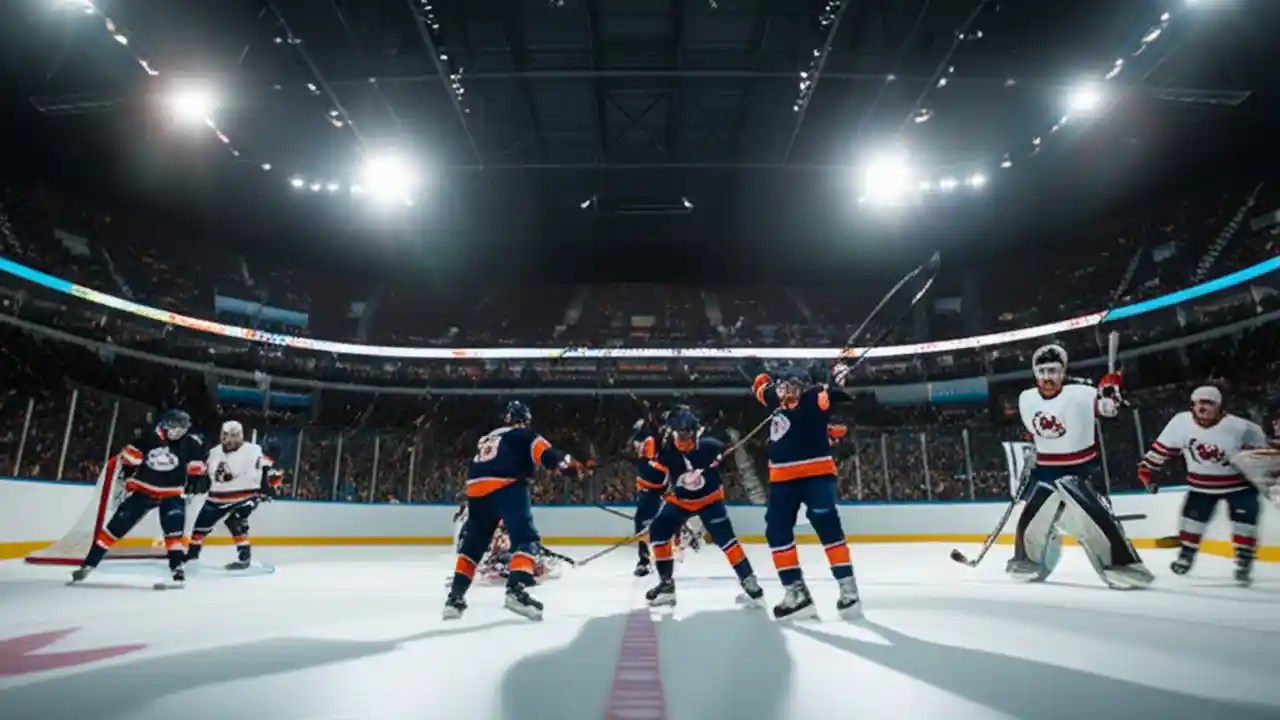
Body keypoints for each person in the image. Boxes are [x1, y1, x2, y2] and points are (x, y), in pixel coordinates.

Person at [1011, 344, 1152, 589]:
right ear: (1034, 373)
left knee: (1096, 519)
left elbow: (1107, 409)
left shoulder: (1083, 393)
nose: (1047, 377)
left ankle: (1123, 565)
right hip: (1045, 471)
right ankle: (1029, 560)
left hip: (1081, 470)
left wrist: (1111, 395)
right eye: (1042, 371)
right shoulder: (1026, 398)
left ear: (1063, 371)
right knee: (1031, 520)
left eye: (1053, 370)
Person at [444, 401, 581, 621]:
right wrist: (566, 465)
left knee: (474, 545)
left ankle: (455, 599)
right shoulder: (523, 434)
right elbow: (546, 454)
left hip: (476, 489)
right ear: (524, 420)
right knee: (526, 539)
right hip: (505, 486)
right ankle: (516, 590)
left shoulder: (489, 437)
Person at [753, 365, 861, 620]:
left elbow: (836, 397)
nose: (787, 393)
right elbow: (759, 386)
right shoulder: (774, 398)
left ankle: (848, 588)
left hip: (816, 473)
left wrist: (837, 380)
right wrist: (765, 380)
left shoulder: (816, 397)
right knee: (776, 531)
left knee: (826, 523)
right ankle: (795, 591)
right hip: (781, 478)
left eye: (793, 387)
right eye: (783, 387)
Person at [1139, 386, 1268, 586]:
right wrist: (1147, 471)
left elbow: (1263, 453)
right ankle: (1186, 555)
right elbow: (1162, 449)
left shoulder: (1241, 427)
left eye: (1208, 403)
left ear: (1219, 407)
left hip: (1239, 484)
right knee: (1191, 520)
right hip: (1201, 486)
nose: (1202, 407)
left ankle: (1244, 560)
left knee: (1245, 522)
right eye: (1198, 402)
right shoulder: (1181, 423)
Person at [642, 407, 764, 608]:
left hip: (710, 499)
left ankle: (749, 581)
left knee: (726, 539)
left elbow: (727, 448)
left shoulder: (709, 445)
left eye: (687, 433)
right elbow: (656, 473)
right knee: (658, 531)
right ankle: (666, 585)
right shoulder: (664, 450)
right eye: (679, 434)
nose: (683, 439)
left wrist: (721, 456)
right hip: (680, 500)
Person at [70, 410, 206, 586]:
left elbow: (197, 467)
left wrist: (196, 481)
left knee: (174, 534)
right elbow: (128, 462)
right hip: (144, 491)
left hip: (172, 493)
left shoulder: (190, 443)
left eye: (182, 428)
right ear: (165, 424)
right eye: (175, 427)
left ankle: (177, 572)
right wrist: (126, 479)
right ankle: (88, 565)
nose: (178, 431)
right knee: (114, 529)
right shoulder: (147, 439)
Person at [187, 421, 283, 570]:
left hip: (245, 495)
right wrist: (196, 483)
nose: (228, 439)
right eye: (225, 435)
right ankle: (191, 557)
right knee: (200, 528)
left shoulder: (252, 450)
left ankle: (244, 557)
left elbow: (264, 468)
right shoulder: (214, 452)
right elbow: (207, 474)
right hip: (216, 497)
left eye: (232, 436)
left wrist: (265, 487)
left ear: (240, 436)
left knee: (236, 521)